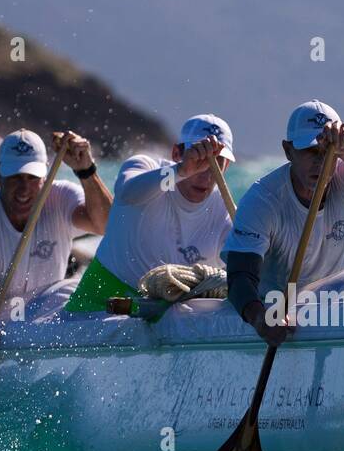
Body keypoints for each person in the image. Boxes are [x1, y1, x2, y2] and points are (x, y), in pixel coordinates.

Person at [223, 101, 344, 345]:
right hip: (283, 313)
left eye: (327, 152)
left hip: (336, 311)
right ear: (288, 151)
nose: (320, 161)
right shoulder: (263, 199)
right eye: (310, 151)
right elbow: (240, 275)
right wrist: (261, 320)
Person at [0, 129, 111, 356]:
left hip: (42, 326)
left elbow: (106, 225)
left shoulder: (61, 197)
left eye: (32, 177)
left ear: (45, 174)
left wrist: (86, 170)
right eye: (15, 177)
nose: (24, 188)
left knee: (74, 288)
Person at [65, 114, 236, 313]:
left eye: (217, 162)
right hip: (97, 304)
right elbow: (127, 192)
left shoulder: (225, 212)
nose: (206, 173)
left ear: (228, 166)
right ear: (176, 153)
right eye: (200, 158)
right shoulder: (144, 167)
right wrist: (182, 170)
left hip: (163, 315)